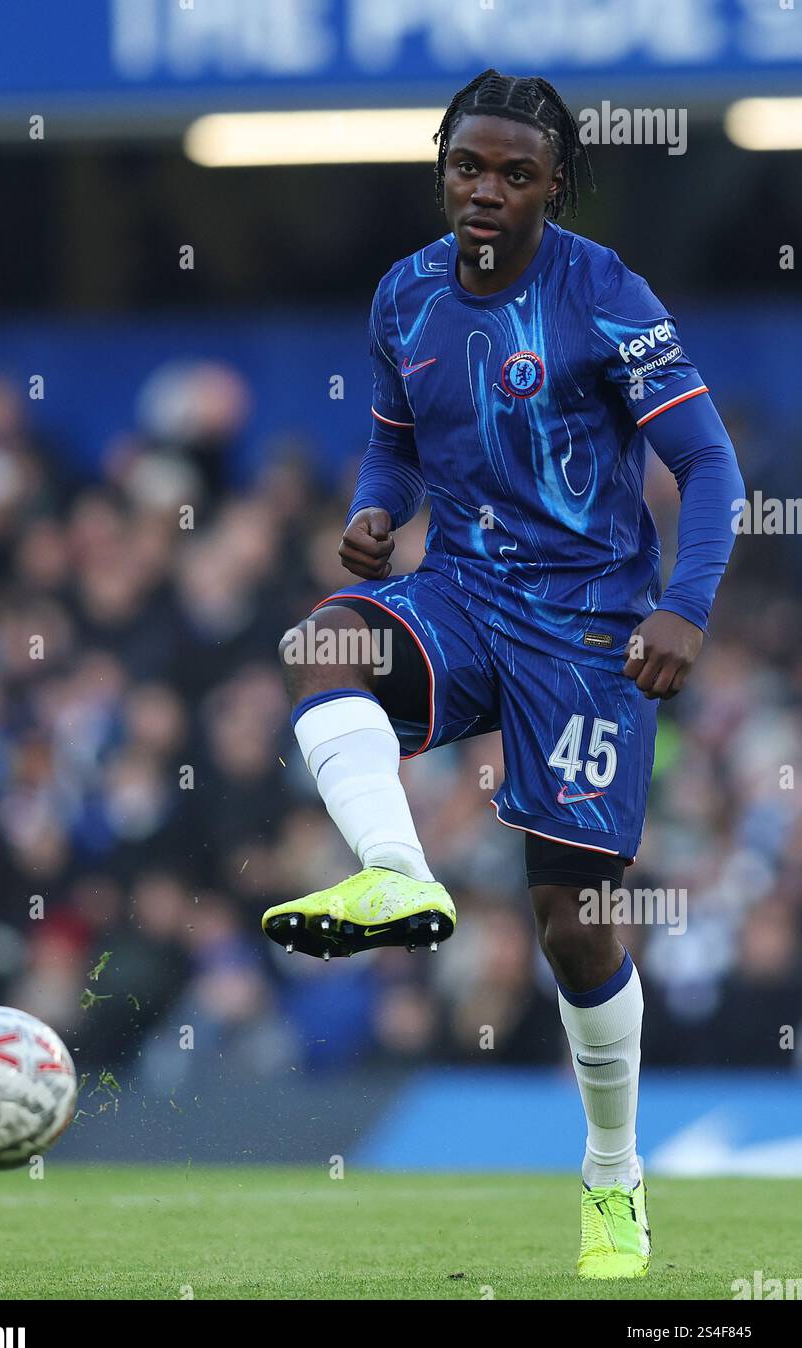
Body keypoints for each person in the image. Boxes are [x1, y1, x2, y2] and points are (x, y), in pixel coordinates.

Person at [262, 70, 744, 1279]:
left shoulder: (604, 294)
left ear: (553, 185)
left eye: (513, 175)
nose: (484, 192)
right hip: (466, 595)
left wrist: (684, 607)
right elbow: (392, 446)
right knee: (326, 640)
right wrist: (377, 514)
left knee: (572, 929)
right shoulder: (404, 295)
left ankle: (612, 1177)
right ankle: (394, 874)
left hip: (587, 631)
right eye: (467, 169)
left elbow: (712, 466)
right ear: (443, 170)